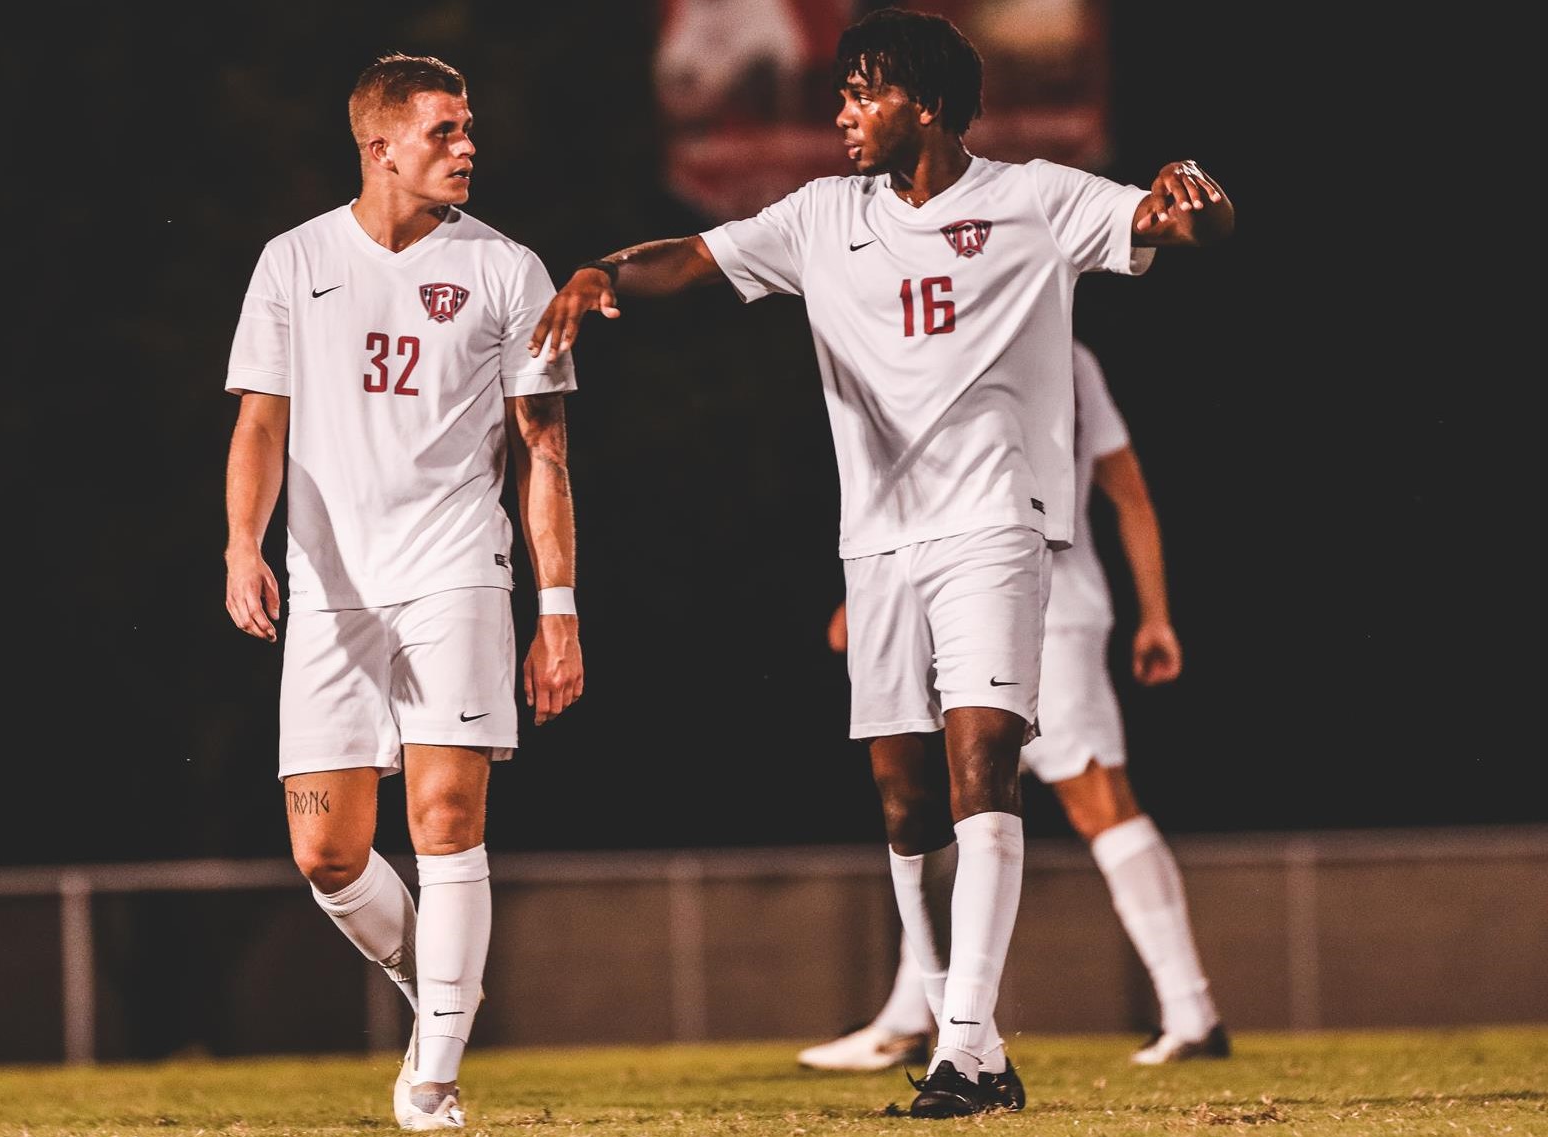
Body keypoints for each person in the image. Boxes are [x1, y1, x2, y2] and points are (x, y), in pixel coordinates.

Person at [530, 7, 1232, 1119]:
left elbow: (1168, 223)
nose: (843, 111)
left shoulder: (1033, 196)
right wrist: (596, 271)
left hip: (998, 525)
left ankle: (967, 1047)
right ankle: (958, 1020)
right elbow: (694, 257)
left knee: (982, 763)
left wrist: (1193, 187)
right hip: (877, 541)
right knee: (903, 799)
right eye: (844, 91)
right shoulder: (821, 216)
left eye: (863, 92)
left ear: (929, 105)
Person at [224, 52, 583, 1132]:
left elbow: (543, 452)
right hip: (329, 587)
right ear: (379, 147)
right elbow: (258, 424)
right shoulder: (292, 262)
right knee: (325, 850)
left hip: (455, 571)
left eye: (469, 127)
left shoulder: (510, 270)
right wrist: (242, 545)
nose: (467, 146)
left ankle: (432, 1072)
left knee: (443, 818)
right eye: (444, 130)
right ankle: (436, 981)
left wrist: (555, 608)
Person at [797, 340, 1228, 1075]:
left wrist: (1157, 613)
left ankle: (1191, 1006)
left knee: (1097, 801)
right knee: (949, 809)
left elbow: (985, 482)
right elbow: (1122, 492)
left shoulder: (1035, 347)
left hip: (1041, 603)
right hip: (985, 599)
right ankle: (916, 1015)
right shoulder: (1042, 344)